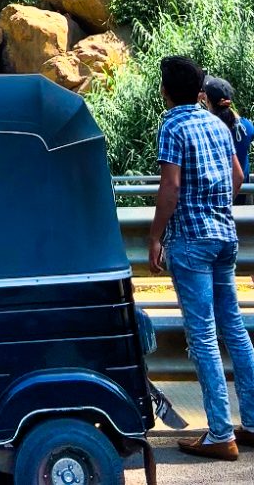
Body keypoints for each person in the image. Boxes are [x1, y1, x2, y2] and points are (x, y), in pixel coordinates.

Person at [149, 56, 254, 460]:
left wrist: (155, 236)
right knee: (235, 329)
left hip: (191, 241)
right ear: (197, 91)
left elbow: (170, 187)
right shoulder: (216, 121)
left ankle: (220, 435)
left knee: (205, 337)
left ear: (164, 90)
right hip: (225, 237)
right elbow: (238, 177)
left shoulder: (172, 124)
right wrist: (216, 209)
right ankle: (253, 421)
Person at [202, 76, 254, 206]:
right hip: (241, 198)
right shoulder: (246, 127)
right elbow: (235, 120)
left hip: (213, 201)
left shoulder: (206, 128)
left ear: (207, 100)